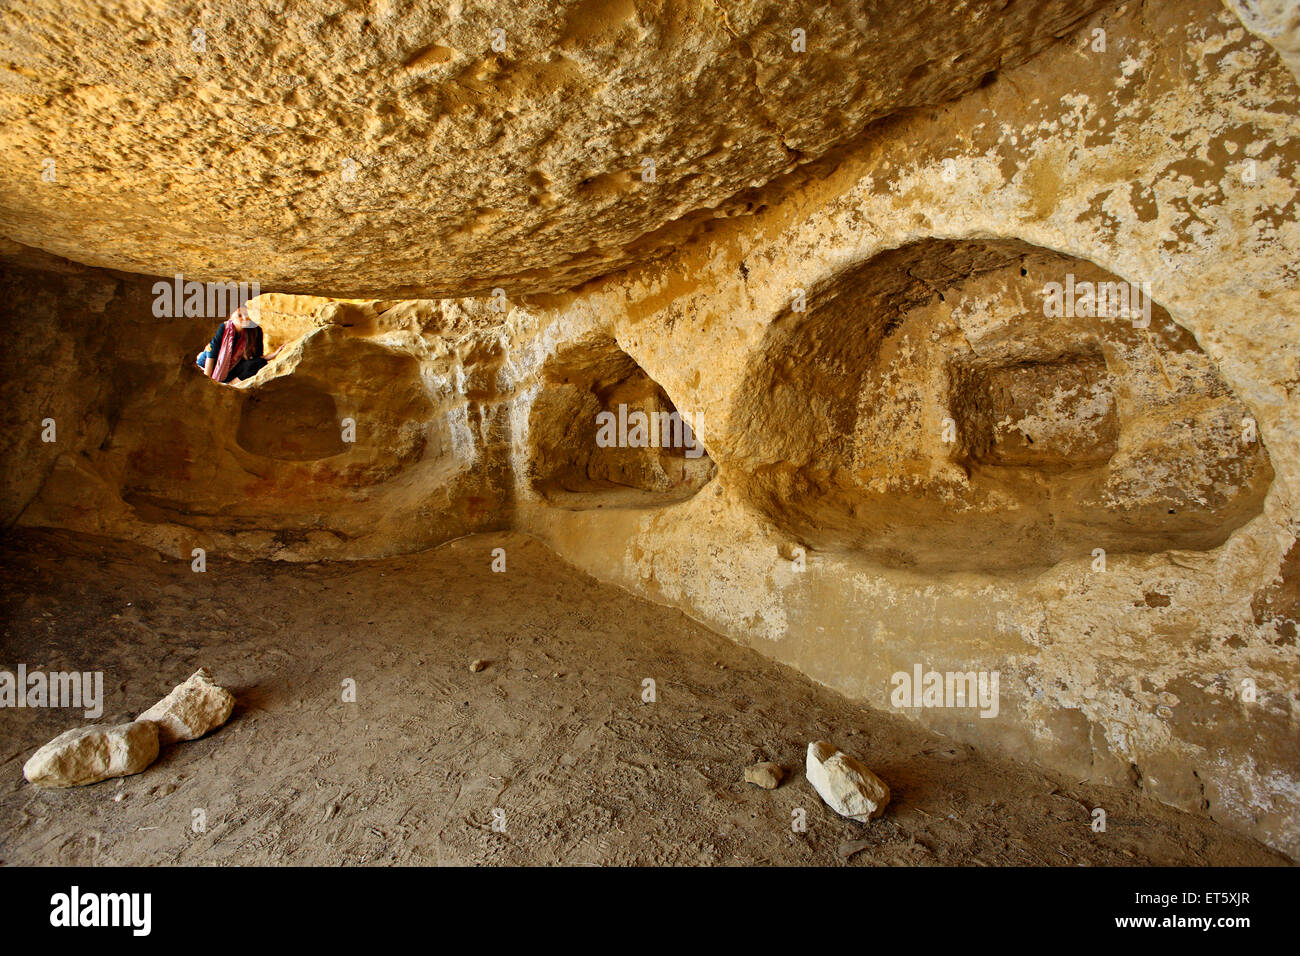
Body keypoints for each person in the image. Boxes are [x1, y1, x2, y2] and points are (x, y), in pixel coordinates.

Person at [196, 305, 282, 385]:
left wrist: (272, 355)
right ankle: (220, 383)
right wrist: (207, 381)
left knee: (260, 363)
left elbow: (256, 358)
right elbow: (211, 354)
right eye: (239, 315)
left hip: (232, 369)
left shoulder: (256, 330)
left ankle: (230, 386)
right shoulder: (223, 328)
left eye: (246, 314)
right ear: (230, 317)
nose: (245, 318)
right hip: (209, 366)